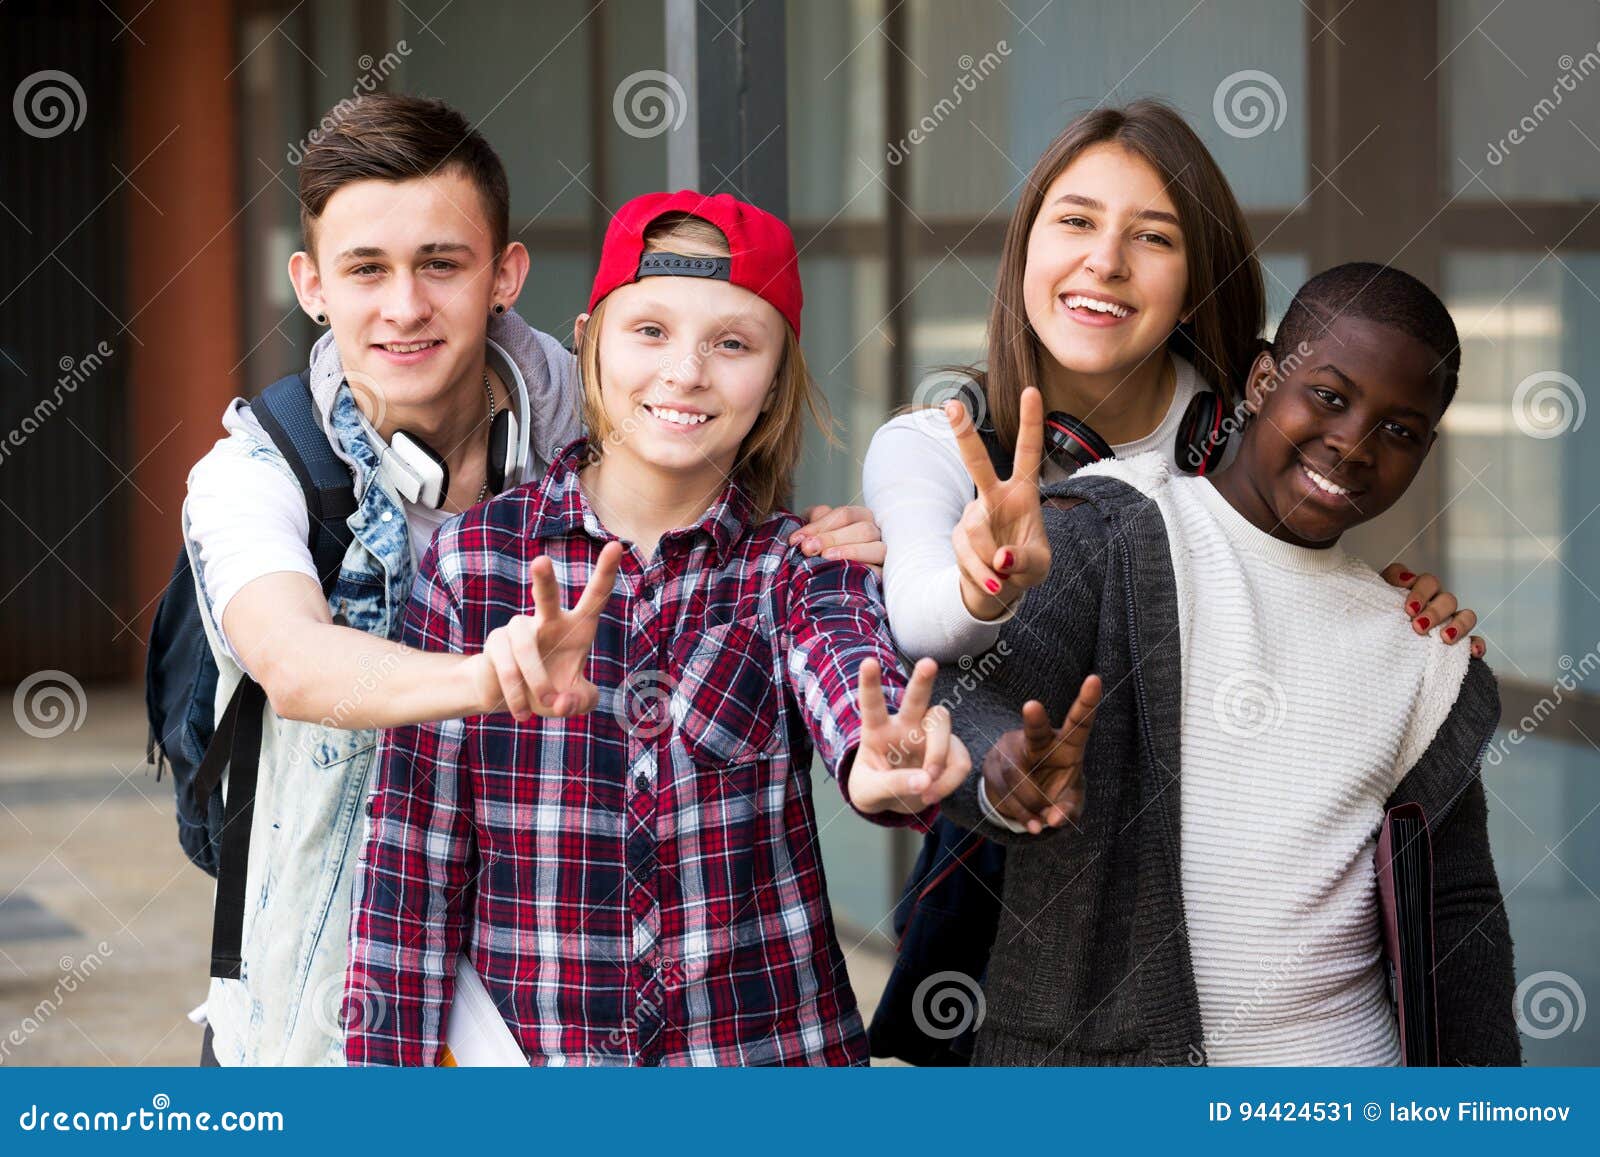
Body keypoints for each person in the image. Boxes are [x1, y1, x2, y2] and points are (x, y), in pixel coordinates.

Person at [183, 95, 880, 1066]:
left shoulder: (603, 402)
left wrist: (839, 548)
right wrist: (487, 678)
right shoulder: (253, 474)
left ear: (506, 274)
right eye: (365, 269)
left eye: (441, 262)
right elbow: (298, 665)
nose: (404, 305)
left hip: (560, 1004)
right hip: (323, 995)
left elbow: (705, 450)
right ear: (310, 285)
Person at [344, 191, 1020, 1066]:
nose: (687, 371)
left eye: (732, 343)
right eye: (650, 331)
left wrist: (882, 752)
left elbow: (847, 671)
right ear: (589, 340)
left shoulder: (799, 566)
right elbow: (411, 864)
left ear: (776, 376)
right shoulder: (473, 564)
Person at [936, 263, 1520, 1066]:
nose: (1351, 444)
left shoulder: (1416, 646)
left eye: (1400, 430)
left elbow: (1457, 907)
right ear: (1262, 378)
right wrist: (1005, 771)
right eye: (1329, 395)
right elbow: (975, 697)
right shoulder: (1111, 532)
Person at [862, 99, 1482, 663]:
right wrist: (982, 584)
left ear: (1194, 291)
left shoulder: (1260, 441)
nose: (1105, 262)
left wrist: (1394, 614)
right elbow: (919, 622)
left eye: (1153, 237)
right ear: (1026, 250)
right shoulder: (929, 447)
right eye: (1077, 222)